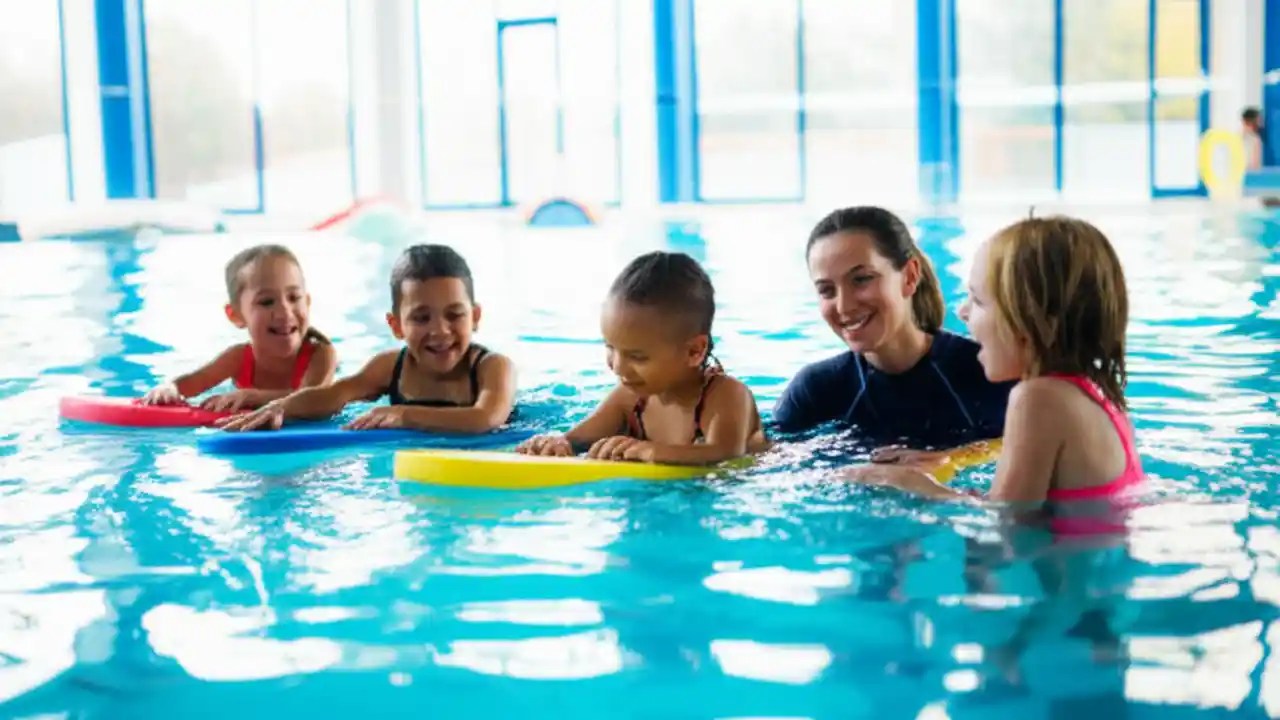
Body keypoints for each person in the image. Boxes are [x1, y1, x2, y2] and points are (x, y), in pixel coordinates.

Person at [851, 216, 1143, 505]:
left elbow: (1006, 522)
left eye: (977, 300)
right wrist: (951, 459)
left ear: (1036, 320)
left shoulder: (1036, 398)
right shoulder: (1095, 393)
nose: (963, 312)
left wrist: (908, 483)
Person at [774, 206, 1014, 450]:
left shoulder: (988, 377)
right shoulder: (815, 391)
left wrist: (954, 462)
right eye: (826, 290)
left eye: (862, 279)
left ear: (909, 277)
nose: (844, 306)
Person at [218, 244, 517, 433]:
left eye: (454, 315)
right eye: (421, 318)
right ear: (396, 325)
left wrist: (403, 414)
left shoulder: (492, 367)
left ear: (475, 317)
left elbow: (486, 418)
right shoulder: (391, 367)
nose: (440, 330)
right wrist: (281, 406)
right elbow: (334, 394)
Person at [517, 251, 768, 465]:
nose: (618, 366)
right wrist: (556, 443)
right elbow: (579, 439)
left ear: (694, 351)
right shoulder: (630, 398)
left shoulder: (727, 396)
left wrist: (652, 450)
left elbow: (726, 453)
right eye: (610, 348)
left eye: (637, 356)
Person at [141, 244, 337, 412]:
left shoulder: (321, 353)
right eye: (267, 302)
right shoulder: (238, 358)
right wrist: (168, 389)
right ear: (235, 315)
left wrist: (254, 397)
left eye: (294, 298)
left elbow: (313, 400)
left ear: (308, 302)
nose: (284, 312)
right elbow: (189, 384)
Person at [1243, 107, 1266, 171]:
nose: (1261, 124)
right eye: (1259, 120)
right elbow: (1255, 165)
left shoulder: (1255, 139)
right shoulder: (1256, 140)